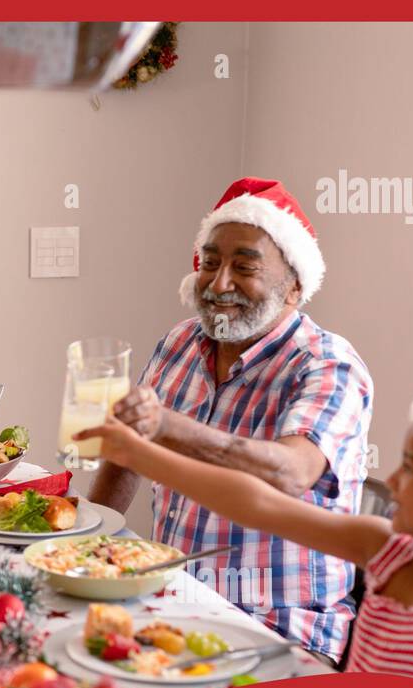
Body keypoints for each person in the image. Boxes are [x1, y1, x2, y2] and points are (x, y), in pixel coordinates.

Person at [78, 359, 413, 688]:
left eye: (412, 468)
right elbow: (258, 503)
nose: (393, 480)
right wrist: (138, 453)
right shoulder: (386, 550)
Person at [91, 178, 372, 661]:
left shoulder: (328, 364)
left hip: (280, 628)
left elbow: (290, 471)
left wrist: (167, 428)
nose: (219, 284)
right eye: (210, 263)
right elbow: (127, 453)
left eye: (244, 267)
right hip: (174, 608)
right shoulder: (179, 342)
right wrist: (88, 549)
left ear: (295, 287)